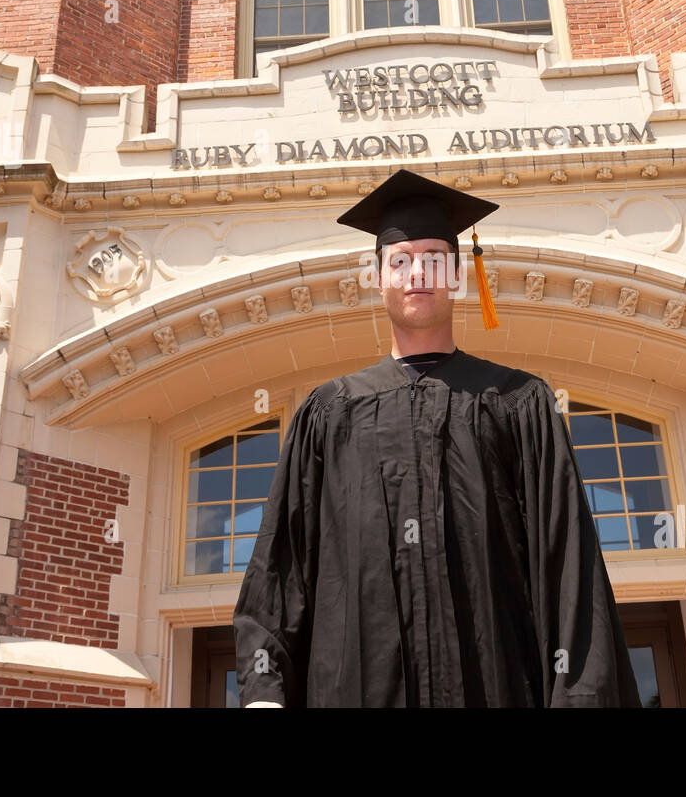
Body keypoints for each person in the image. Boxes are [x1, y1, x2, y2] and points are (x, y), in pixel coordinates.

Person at [233, 168, 640, 707]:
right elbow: (281, 562)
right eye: (400, 261)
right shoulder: (329, 413)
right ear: (377, 278)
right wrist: (266, 690)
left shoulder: (518, 403)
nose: (417, 273)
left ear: (456, 275)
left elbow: (567, 560)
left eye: (434, 259)